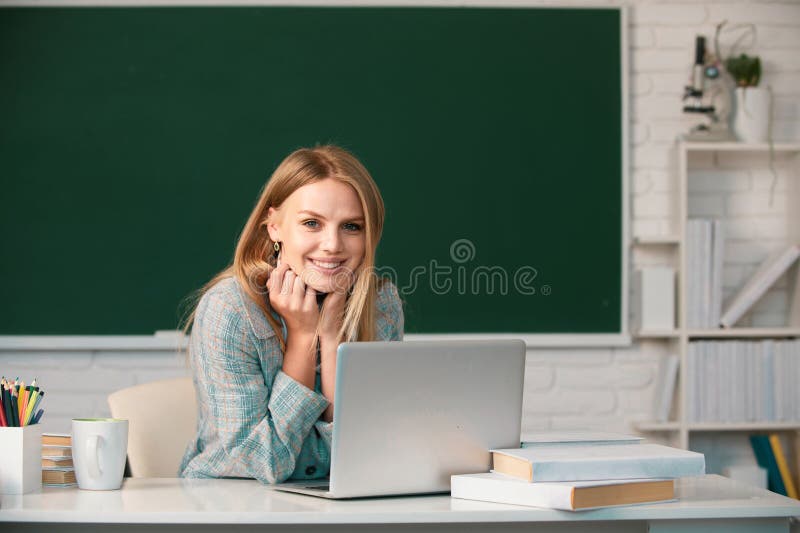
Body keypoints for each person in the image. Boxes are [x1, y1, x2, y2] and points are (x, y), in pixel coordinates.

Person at [179, 145, 404, 483]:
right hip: (230, 501)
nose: (332, 244)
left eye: (352, 227)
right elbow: (264, 464)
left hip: (336, 506)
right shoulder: (230, 310)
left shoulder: (380, 305)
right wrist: (301, 337)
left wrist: (331, 340)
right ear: (274, 227)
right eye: (312, 223)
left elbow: (366, 457)